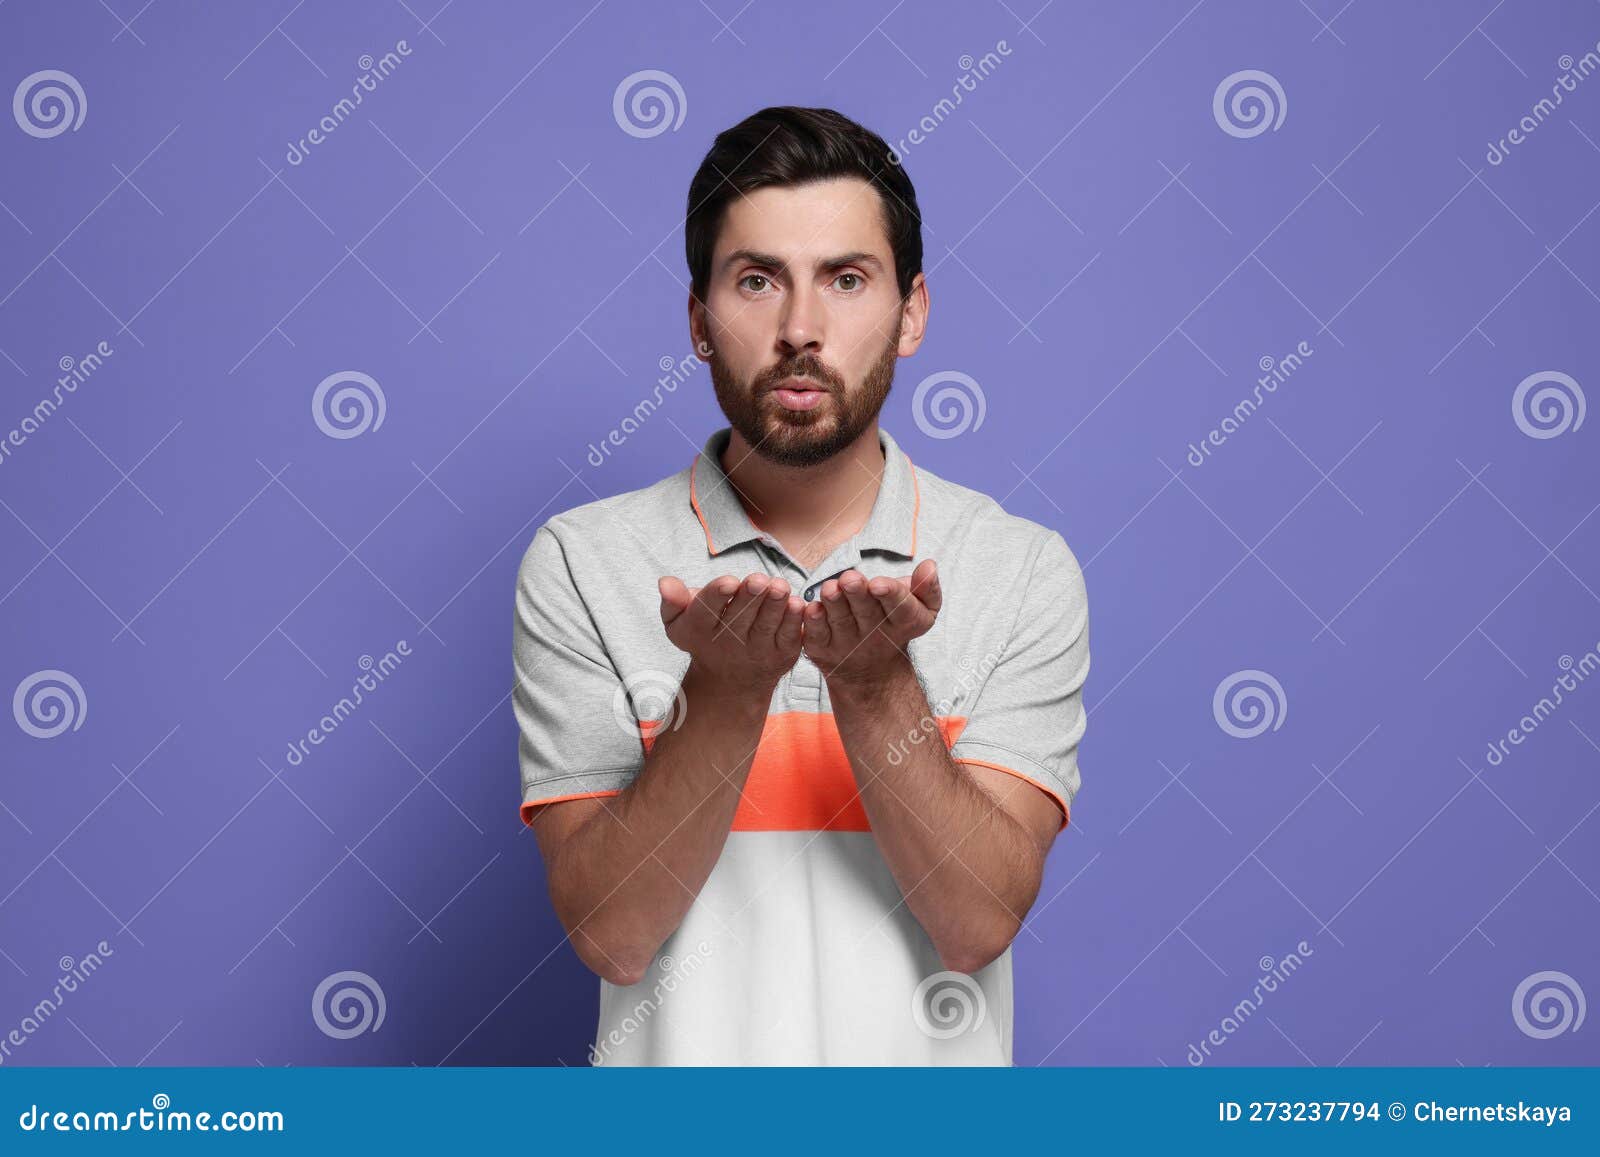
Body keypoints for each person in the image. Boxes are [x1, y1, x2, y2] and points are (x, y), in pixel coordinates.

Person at [512, 106, 1090, 1065]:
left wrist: (875, 688)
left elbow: (975, 925)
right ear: (699, 321)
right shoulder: (582, 560)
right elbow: (613, 936)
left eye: (847, 279)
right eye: (756, 281)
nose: (800, 330)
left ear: (911, 314)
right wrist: (727, 694)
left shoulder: (1019, 568)